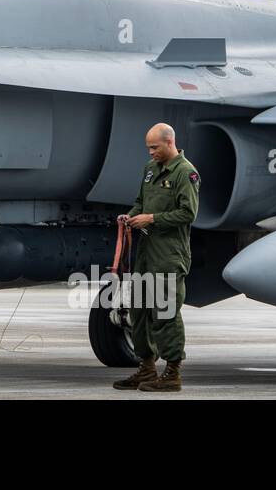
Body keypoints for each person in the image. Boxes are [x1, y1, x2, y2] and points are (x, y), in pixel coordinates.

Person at [112, 123, 199, 392]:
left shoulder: (186, 173)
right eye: (148, 147)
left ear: (169, 142)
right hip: (146, 252)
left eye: (154, 147)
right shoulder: (150, 171)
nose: (150, 152)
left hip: (169, 254)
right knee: (138, 311)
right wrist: (131, 215)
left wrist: (152, 219)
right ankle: (147, 369)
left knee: (165, 311)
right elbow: (140, 201)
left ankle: (172, 373)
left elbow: (189, 214)